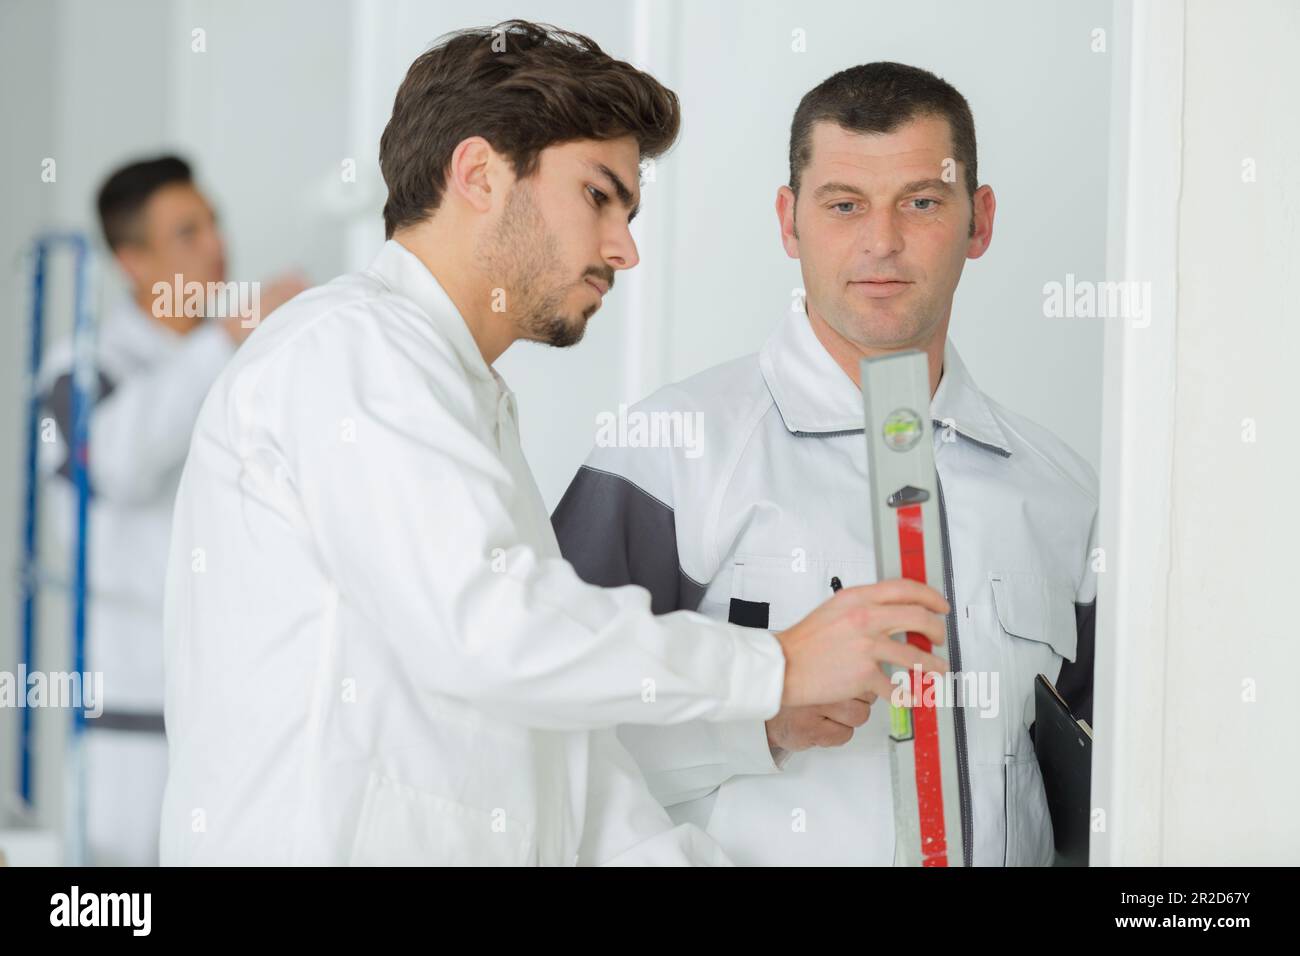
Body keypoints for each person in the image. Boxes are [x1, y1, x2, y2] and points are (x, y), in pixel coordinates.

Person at [157, 21, 949, 866]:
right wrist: (775, 665)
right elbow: (489, 629)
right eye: (599, 195)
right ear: (478, 174)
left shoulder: (467, 409)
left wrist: (756, 715)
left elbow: (575, 778)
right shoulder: (349, 349)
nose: (625, 248)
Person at [553, 62, 1099, 866]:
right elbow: (545, 735)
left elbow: (1117, 786)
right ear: (789, 220)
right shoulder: (670, 451)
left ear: (979, 221)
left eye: (921, 202)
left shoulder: (1061, 492)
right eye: (844, 205)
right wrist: (757, 719)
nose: (881, 241)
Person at [37, 155, 305, 865]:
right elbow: (115, 461)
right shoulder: (81, 365)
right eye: (187, 231)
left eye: (212, 221)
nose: (215, 244)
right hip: (133, 721)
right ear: (132, 261)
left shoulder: (245, 361)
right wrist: (228, 337)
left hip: (243, 707)